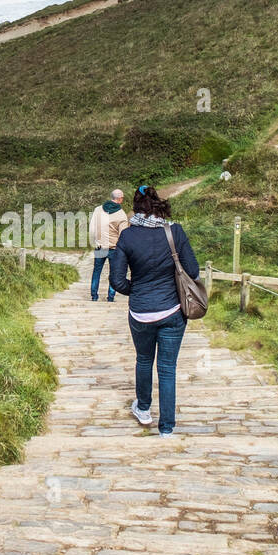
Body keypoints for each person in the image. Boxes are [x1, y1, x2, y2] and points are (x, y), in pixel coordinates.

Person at [108, 185, 199, 435]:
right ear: (158, 205)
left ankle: (144, 410)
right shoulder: (175, 232)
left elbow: (116, 281)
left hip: (140, 312)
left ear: (135, 208)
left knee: (144, 360)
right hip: (172, 311)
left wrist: (135, 290)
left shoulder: (127, 236)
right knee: (168, 369)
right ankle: (167, 429)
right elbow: (192, 271)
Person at [88, 188, 129, 302]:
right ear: (120, 199)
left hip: (100, 246)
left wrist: (95, 242)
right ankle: (110, 297)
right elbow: (123, 235)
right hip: (114, 248)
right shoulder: (121, 215)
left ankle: (94, 296)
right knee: (114, 273)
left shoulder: (98, 210)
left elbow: (92, 228)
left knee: (96, 271)